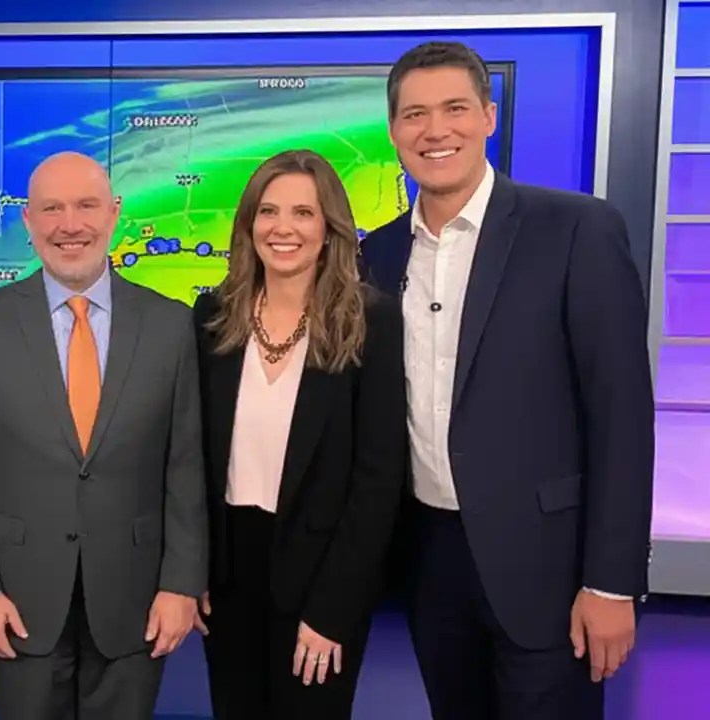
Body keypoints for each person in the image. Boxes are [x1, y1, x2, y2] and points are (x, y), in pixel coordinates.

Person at [360, 41, 655, 720]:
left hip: (550, 569)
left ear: (489, 117)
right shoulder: (378, 253)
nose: (436, 130)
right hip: (431, 563)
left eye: (456, 109)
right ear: (394, 131)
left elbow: (622, 418)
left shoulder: (576, 229)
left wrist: (611, 584)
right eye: (415, 115)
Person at [0, 150, 207, 719]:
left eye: (86, 205)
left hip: (137, 596)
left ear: (114, 213)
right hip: (18, 597)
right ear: (28, 221)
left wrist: (182, 584)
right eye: (51, 208)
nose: (70, 224)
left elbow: (185, 466)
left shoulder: (171, 323)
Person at [192, 149, 407, 719]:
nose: (282, 228)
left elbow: (378, 482)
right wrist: (194, 572)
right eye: (268, 211)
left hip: (321, 579)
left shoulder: (372, 323)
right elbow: (194, 461)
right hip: (228, 576)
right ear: (249, 225)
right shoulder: (213, 317)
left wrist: (334, 609)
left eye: (303, 214)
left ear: (330, 227)